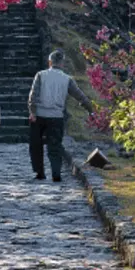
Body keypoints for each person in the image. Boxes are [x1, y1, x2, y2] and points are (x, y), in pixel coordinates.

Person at [28, 49, 94, 182]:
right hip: (56, 116)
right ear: (62, 64)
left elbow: (33, 95)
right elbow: (79, 95)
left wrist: (32, 111)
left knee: (36, 145)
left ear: (50, 62)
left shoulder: (41, 75)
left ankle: (39, 172)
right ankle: (56, 173)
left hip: (40, 115)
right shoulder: (67, 79)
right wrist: (90, 110)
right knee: (55, 145)